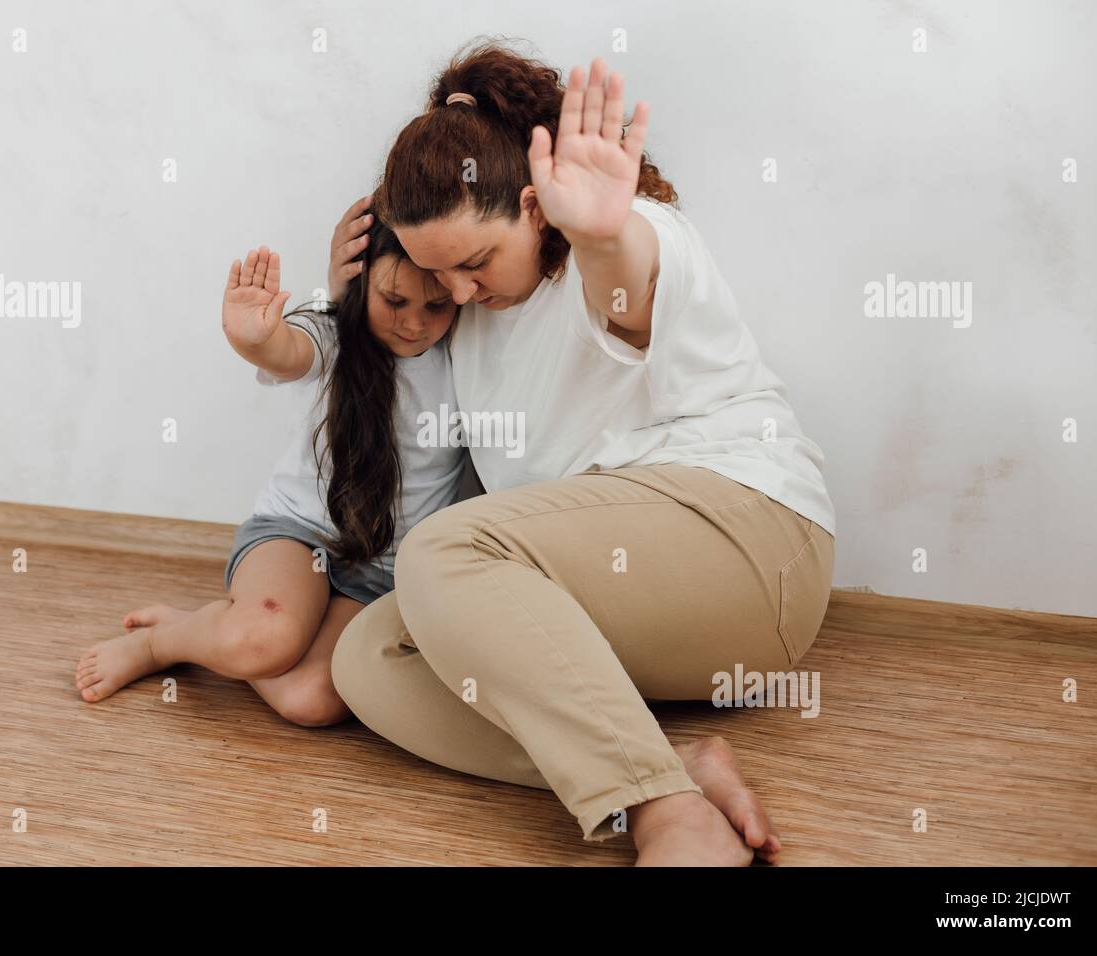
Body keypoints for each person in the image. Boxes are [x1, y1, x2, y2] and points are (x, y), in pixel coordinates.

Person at [329, 41, 836, 865]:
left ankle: (665, 814)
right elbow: (390, 396)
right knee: (369, 655)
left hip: (751, 541)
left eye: (473, 262)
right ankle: (665, 769)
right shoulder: (472, 314)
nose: (456, 292)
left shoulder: (629, 241)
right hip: (632, 601)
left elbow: (626, 306)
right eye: (433, 272)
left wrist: (603, 238)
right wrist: (352, 299)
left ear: (534, 208)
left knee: (446, 549)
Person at [75, 224, 466, 728]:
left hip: (383, 568)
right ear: (361, 282)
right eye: (394, 300)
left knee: (312, 701)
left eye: (435, 306)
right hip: (298, 537)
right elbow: (286, 351)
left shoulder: (463, 356)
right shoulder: (332, 337)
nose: (414, 323)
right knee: (264, 641)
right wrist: (253, 339)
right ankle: (160, 642)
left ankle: (203, 627)